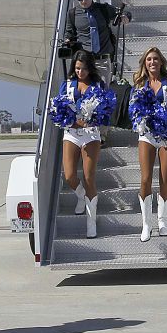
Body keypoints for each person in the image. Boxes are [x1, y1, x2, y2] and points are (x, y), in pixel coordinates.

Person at [133, 47, 167, 242]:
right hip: (147, 135)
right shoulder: (140, 82)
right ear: (145, 63)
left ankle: (162, 222)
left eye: (155, 59)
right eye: (149, 60)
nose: (152, 62)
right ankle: (147, 224)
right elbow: (133, 106)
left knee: (164, 179)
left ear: (161, 61)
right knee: (145, 179)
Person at [61, 50, 109, 238]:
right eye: (77, 68)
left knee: (89, 178)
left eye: (83, 69)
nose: (80, 72)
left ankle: (91, 222)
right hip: (71, 134)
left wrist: (94, 120)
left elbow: (104, 111)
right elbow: (61, 108)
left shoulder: (98, 85)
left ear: (90, 68)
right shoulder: (67, 85)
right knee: (70, 175)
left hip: (90, 135)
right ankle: (80, 195)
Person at [64, 0, 130, 73]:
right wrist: (67, 39)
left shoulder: (103, 9)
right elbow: (69, 32)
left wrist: (125, 16)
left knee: (102, 87)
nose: (83, 1)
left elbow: (124, 13)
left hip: (103, 60)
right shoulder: (72, 13)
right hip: (83, 61)